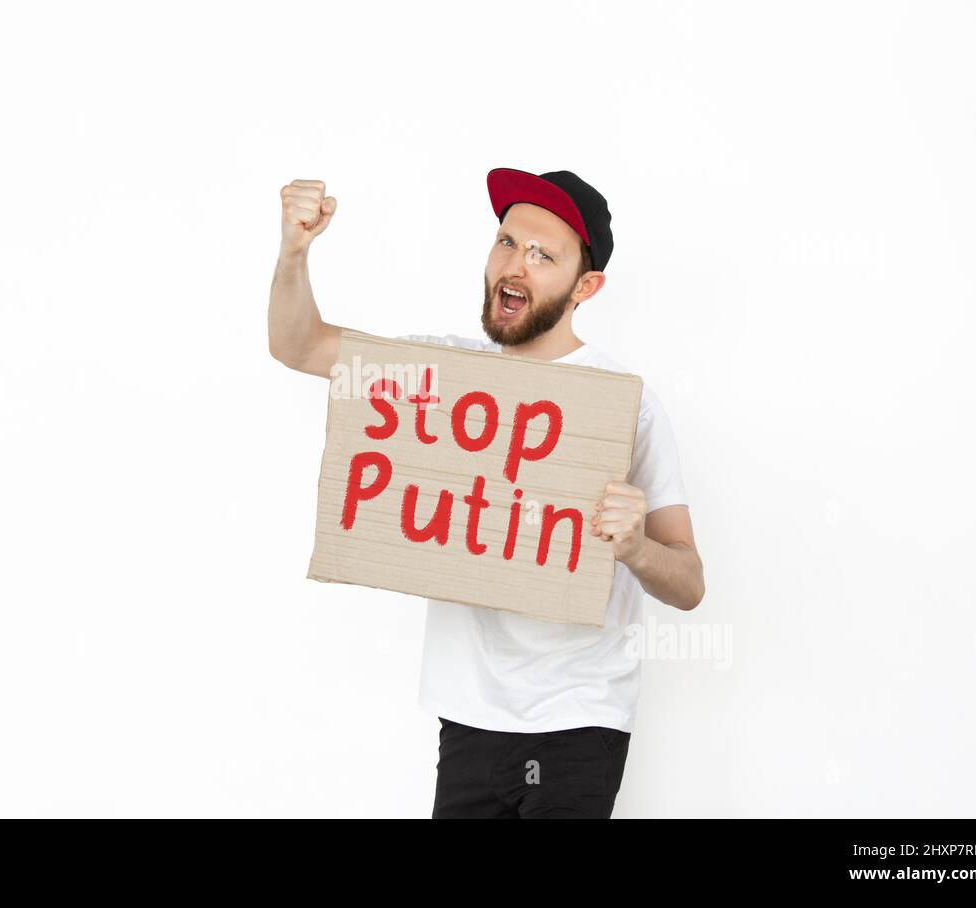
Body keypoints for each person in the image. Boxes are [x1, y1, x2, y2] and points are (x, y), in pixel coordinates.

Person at [268, 168, 706, 818]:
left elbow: (690, 583)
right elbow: (298, 346)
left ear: (587, 287)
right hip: (468, 718)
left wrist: (637, 548)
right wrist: (294, 251)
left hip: (577, 721)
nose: (514, 266)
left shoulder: (626, 408)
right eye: (506, 242)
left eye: (541, 255)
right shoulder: (441, 374)